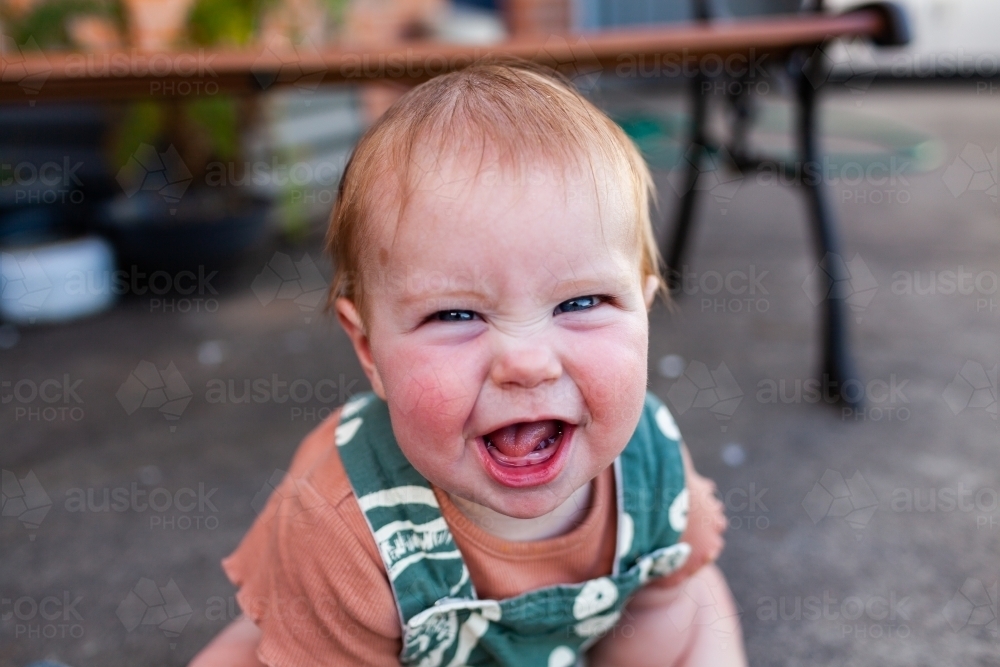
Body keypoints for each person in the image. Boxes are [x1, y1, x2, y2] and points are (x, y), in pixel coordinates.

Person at [191, 60, 746, 667]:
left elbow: (658, 608)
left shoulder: (651, 467)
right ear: (370, 350)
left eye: (582, 302)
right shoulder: (343, 528)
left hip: (567, 638)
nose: (527, 362)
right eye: (456, 315)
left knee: (697, 595)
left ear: (641, 314)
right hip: (345, 650)